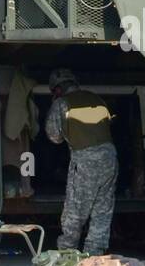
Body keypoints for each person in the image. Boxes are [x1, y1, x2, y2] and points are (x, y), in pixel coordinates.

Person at [45, 67, 117, 255]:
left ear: (57, 90)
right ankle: (94, 256)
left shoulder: (62, 103)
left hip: (85, 160)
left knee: (75, 211)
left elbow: (54, 136)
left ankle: (67, 254)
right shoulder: (97, 99)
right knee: (102, 209)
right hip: (109, 158)